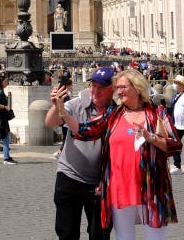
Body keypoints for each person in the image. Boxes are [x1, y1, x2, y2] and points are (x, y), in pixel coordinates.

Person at [61, 68, 180, 239]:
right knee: (123, 237)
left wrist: (151, 137)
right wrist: (62, 111)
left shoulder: (157, 113)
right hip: (119, 187)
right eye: (117, 87)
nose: (119, 91)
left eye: (123, 87)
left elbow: (175, 146)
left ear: (137, 88)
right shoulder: (113, 114)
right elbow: (85, 131)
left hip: (151, 187)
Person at [45, 67, 116, 240]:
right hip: (70, 176)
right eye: (93, 86)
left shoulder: (116, 112)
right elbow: (51, 122)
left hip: (100, 183)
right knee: (67, 233)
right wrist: (56, 106)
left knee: (100, 234)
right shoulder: (76, 104)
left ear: (112, 89)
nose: (95, 91)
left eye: (101, 88)